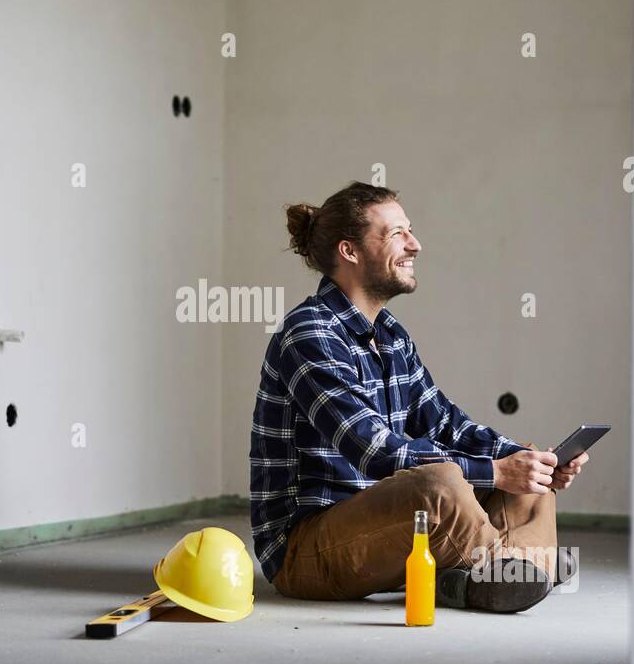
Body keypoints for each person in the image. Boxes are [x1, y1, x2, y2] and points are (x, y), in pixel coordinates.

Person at [249, 182, 589, 613]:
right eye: (396, 234)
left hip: (382, 526)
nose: (415, 244)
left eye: (410, 231)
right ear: (350, 251)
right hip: (306, 550)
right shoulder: (310, 332)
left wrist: (531, 462)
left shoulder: (389, 335)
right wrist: (496, 473)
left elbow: (446, 422)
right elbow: (375, 452)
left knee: (527, 458)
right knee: (440, 483)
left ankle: (494, 572)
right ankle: (514, 563)